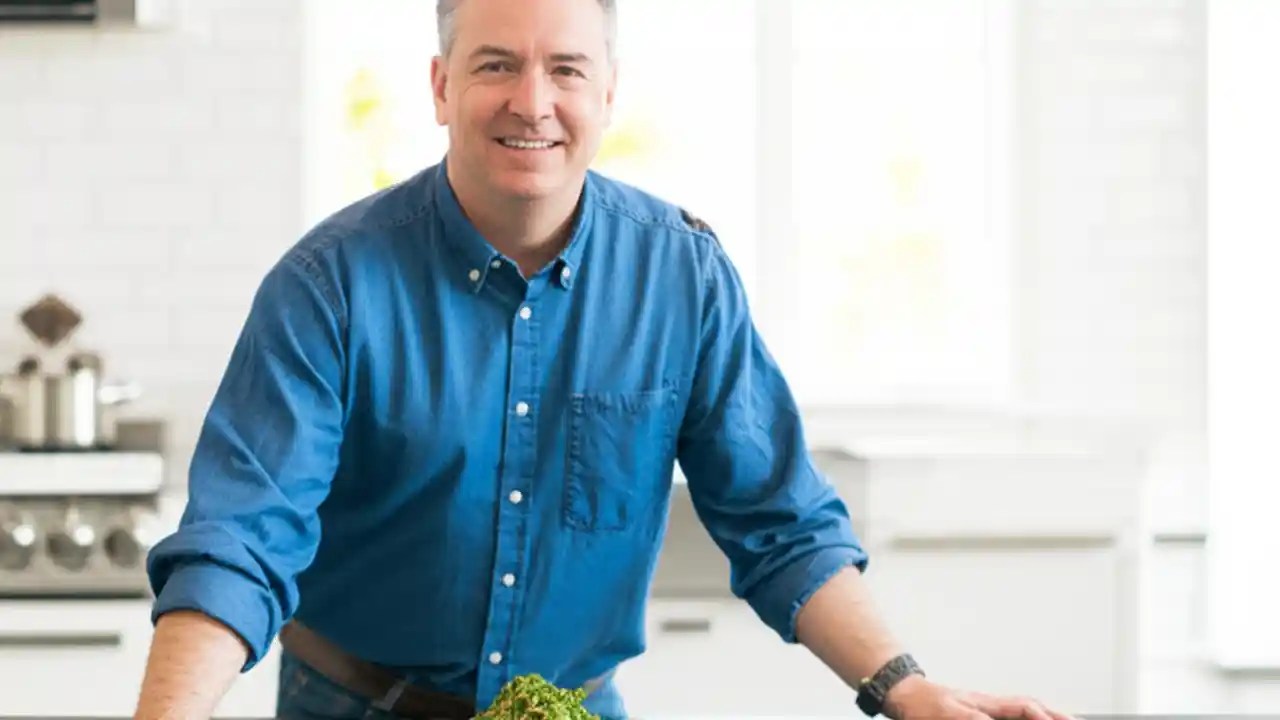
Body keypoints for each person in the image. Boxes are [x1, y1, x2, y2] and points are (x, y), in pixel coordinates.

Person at [132, 1, 1078, 719]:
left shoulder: (684, 276)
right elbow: (241, 545)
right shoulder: (330, 284)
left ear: (608, 93)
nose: (532, 102)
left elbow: (781, 523)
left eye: (567, 70)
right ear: (439, 86)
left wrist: (906, 690)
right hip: (354, 705)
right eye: (495, 64)